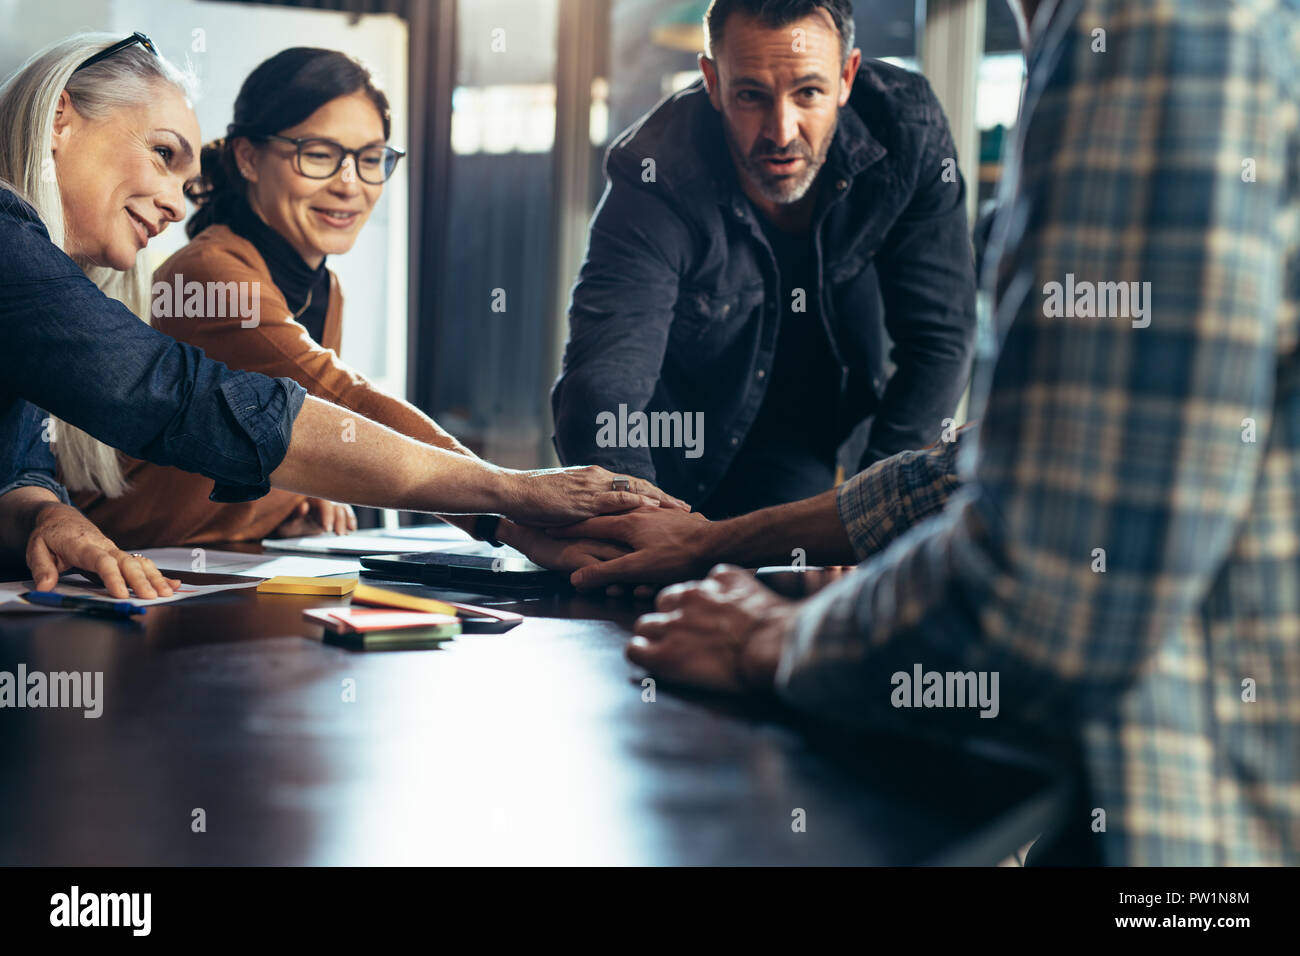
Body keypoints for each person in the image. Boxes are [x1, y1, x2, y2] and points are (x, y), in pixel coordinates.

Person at [622, 0, 1300, 866]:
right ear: (713, 84)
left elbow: (1050, 589)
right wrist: (712, 541)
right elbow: (977, 467)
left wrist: (774, 640)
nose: (780, 127)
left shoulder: (1152, 27)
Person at [0, 33, 681, 600]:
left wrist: (43, 512)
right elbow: (228, 403)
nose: (349, 182)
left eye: (370, 158)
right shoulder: (197, 275)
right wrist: (512, 502)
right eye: (319, 153)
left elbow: (17, 465)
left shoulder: (318, 291)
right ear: (60, 118)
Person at [551, 0, 977, 518]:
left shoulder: (907, 130)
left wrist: (872, 516)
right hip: (677, 458)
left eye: (809, 92)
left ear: (847, 77)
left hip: (819, 437)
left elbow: (940, 340)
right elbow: (601, 392)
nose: (781, 131)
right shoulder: (655, 170)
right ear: (711, 80)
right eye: (751, 94)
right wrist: (645, 530)